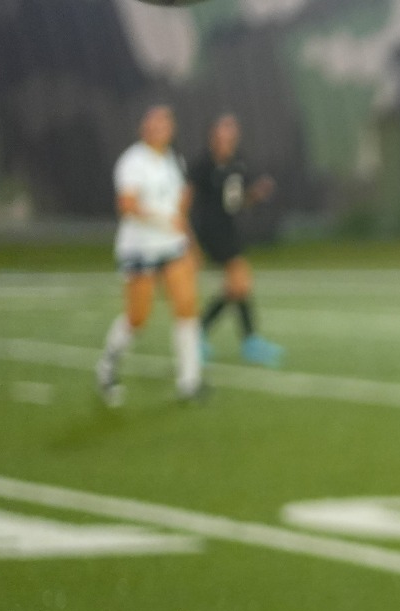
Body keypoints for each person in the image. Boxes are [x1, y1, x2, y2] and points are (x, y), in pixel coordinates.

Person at [95, 105, 202, 406]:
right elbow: (126, 205)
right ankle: (107, 365)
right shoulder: (132, 161)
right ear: (144, 128)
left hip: (172, 247)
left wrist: (190, 243)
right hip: (140, 249)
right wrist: (163, 220)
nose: (159, 127)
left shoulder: (174, 160)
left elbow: (180, 210)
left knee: (186, 306)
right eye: (154, 122)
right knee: (138, 318)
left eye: (165, 122)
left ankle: (189, 381)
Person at [189, 113, 284, 367]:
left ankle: (200, 333)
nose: (227, 137)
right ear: (213, 135)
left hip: (229, 230)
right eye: (223, 131)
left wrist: (255, 194)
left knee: (237, 287)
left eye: (231, 131)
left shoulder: (238, 163)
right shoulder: (203, 165)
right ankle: (249, 341)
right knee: (240, 281)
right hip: (210, 231)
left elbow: (237, 201)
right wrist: (191, 241)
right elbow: (186, 202)